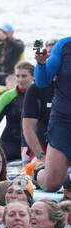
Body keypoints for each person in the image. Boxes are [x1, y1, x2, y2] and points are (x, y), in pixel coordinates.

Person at [33, 36, 71, 194]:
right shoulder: (64, 46)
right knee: (52, 184)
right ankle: (37, 172)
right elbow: (42, 81)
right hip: (63, 121)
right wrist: (41, 64)